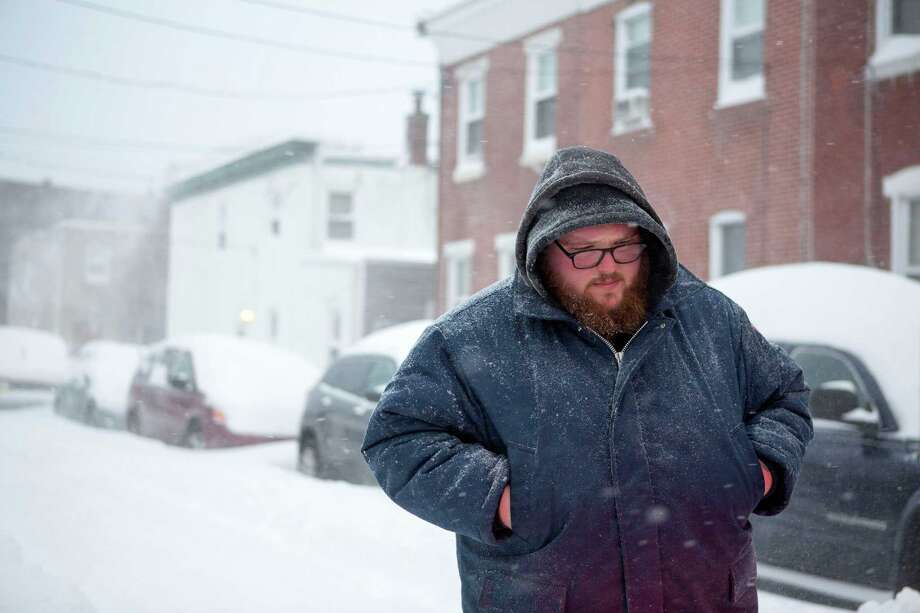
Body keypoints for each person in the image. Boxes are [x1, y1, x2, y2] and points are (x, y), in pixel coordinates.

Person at [362, 146, 813, 612]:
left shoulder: (709, 318)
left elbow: (784, 395)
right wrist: (502, 498)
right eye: (583, 252)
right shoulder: (471, 337)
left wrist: (756, 473)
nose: (608, 267)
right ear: (543, 250)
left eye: (624, 246)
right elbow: (398, 438)